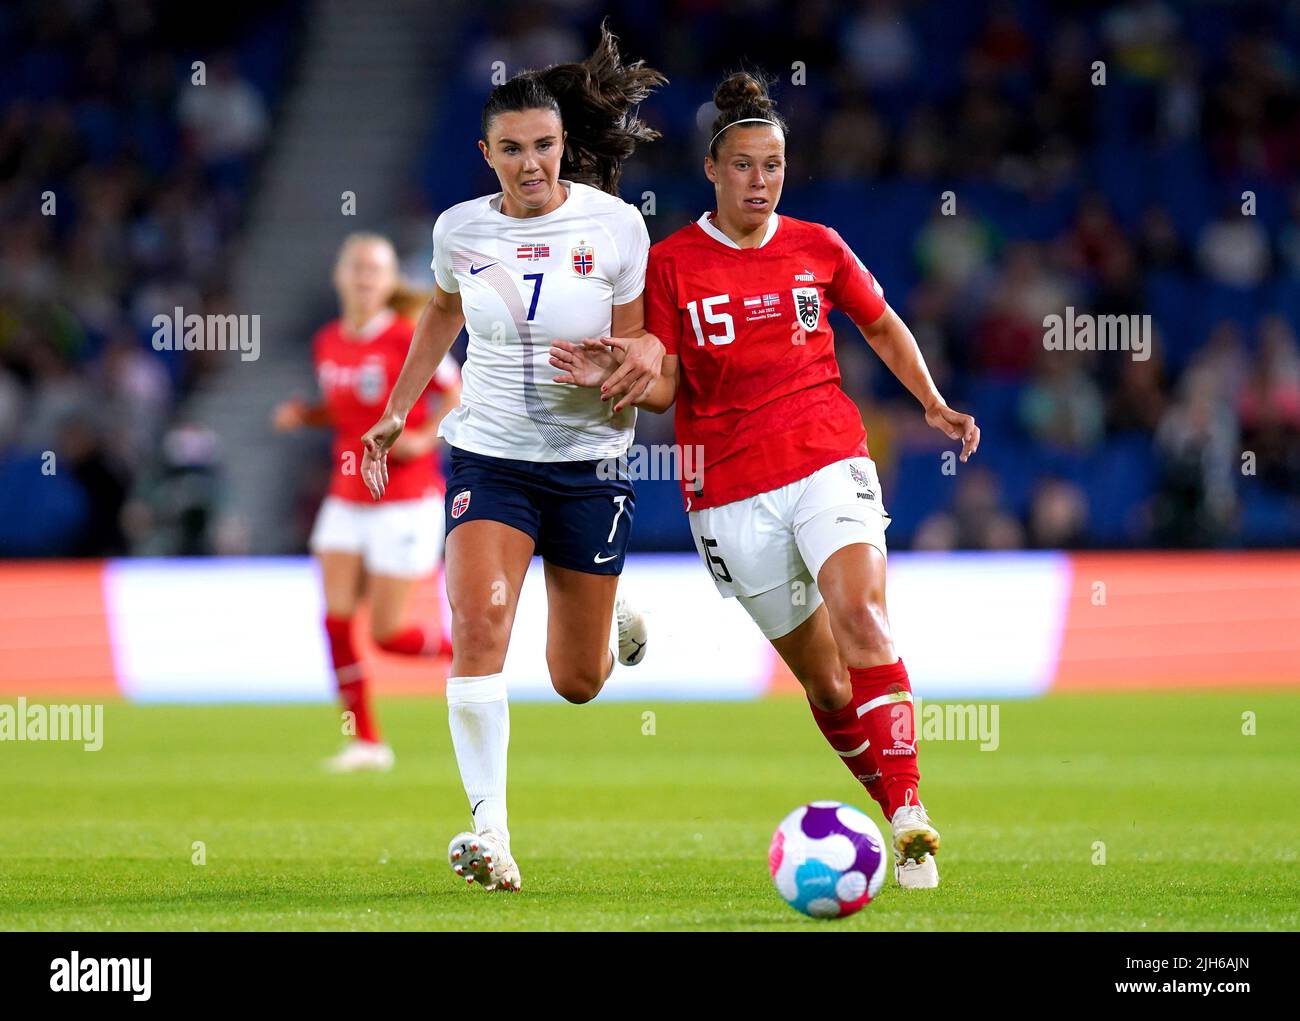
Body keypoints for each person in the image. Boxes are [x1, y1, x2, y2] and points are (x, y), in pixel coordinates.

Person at [550, 72, 980, 890]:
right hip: (730, 489)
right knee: (823, 679)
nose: (760, 181)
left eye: (774, 165)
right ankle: (890, 806)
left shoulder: (818, 246)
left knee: (863, 616)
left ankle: (912, 811)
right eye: (744, 165)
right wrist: (630, 372)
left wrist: (931, 401)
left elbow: (882, 323)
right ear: (712, 169)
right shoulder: (671, 265)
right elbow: (671, 383)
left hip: (827, 455)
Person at [359, 24, 666, 892]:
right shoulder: (459, 231)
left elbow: (645, 355)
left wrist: (626, 366)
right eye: (512, 150)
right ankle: (489, 832)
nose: (531, 164)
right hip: (490, 456)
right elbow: (441, 316)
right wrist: (396, 411)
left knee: (575, 680)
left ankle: (608, 622)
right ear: (485, 151)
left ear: (565, 145)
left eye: (544, 146)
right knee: (481, 627)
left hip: (590, 464)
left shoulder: (613, 227)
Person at [273, 233, 460, 773]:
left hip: (404, 498)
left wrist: (428, 438)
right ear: (339, 276)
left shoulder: (406, 336)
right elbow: (349, 411)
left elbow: (456, 388)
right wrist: (306, 417)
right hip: (347, 494)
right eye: (355, 267)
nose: (363, 278)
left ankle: (470, 650)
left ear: (387, 283)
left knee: (387, 634)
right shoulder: (327, 340)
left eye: (374, 270)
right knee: (334, 621)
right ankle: (366, 741)